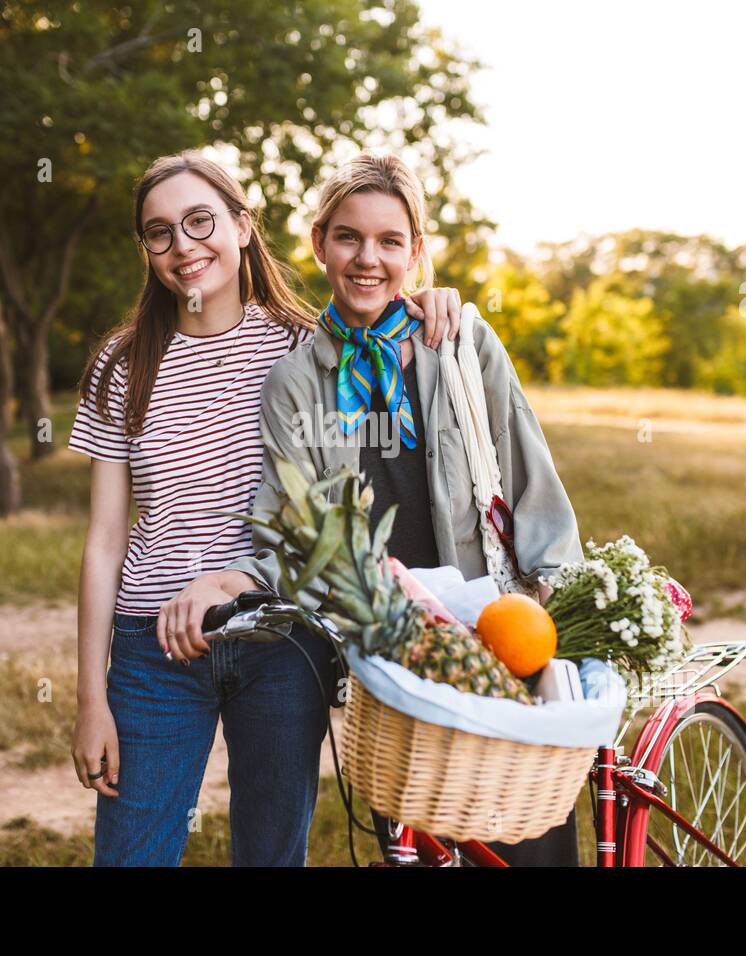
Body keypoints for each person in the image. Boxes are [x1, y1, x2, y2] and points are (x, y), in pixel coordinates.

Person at [181, 152, 586, 865]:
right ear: (319, 244)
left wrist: (561, 597)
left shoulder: (460, 342)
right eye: (349, 237)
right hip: (391, 650)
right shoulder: (296, 382)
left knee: (523, 840)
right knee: (420, 842)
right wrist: (228, 580)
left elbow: (530, 476)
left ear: (416, 253)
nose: (368, 259)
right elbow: (291, 523)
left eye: (390, 241)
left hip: (499, 625)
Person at [68, 149, 463, 866]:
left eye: (200, 221)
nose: (183, 246)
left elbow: (387, 318)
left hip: (283, 642)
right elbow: (103, 541)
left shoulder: (307, 347)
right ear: (146, 249)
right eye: (160, 232)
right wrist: (89, 700)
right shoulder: (121, 365)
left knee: (272, 857)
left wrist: (438, 299)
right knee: (131, 856)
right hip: (154, 649)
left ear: (243, 226)